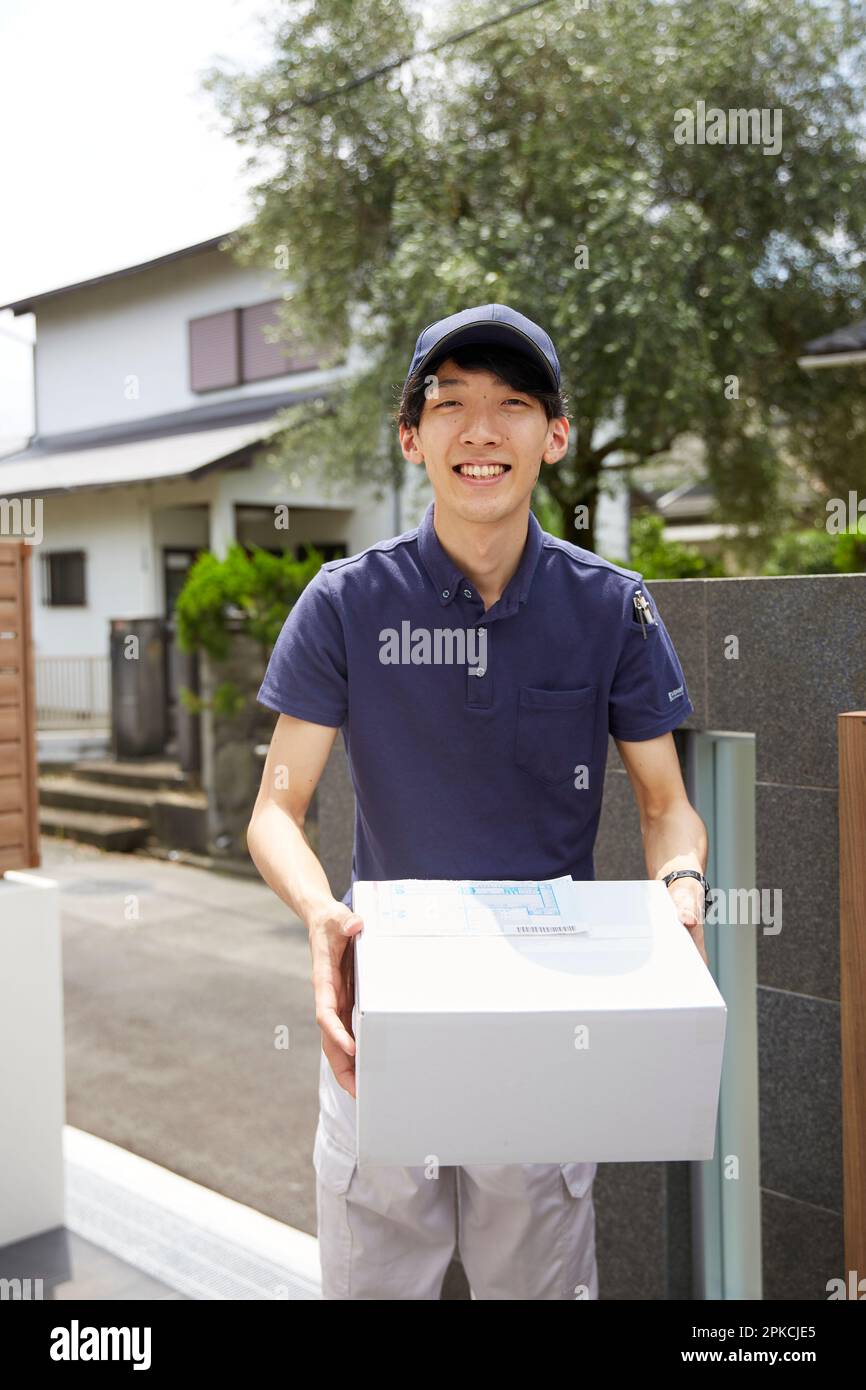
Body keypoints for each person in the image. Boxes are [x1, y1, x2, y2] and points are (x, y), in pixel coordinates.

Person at [247, 304, 710, 1300]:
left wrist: (677, 884)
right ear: (412, 436)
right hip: (384, 1008)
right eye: (450, 403)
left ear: (555, 435)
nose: (480, 430)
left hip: (545, 1013)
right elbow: (274, 810)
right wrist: (323, 912)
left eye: (512, 403)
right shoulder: (343, 603)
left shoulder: (610, 606)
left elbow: (665, 799)